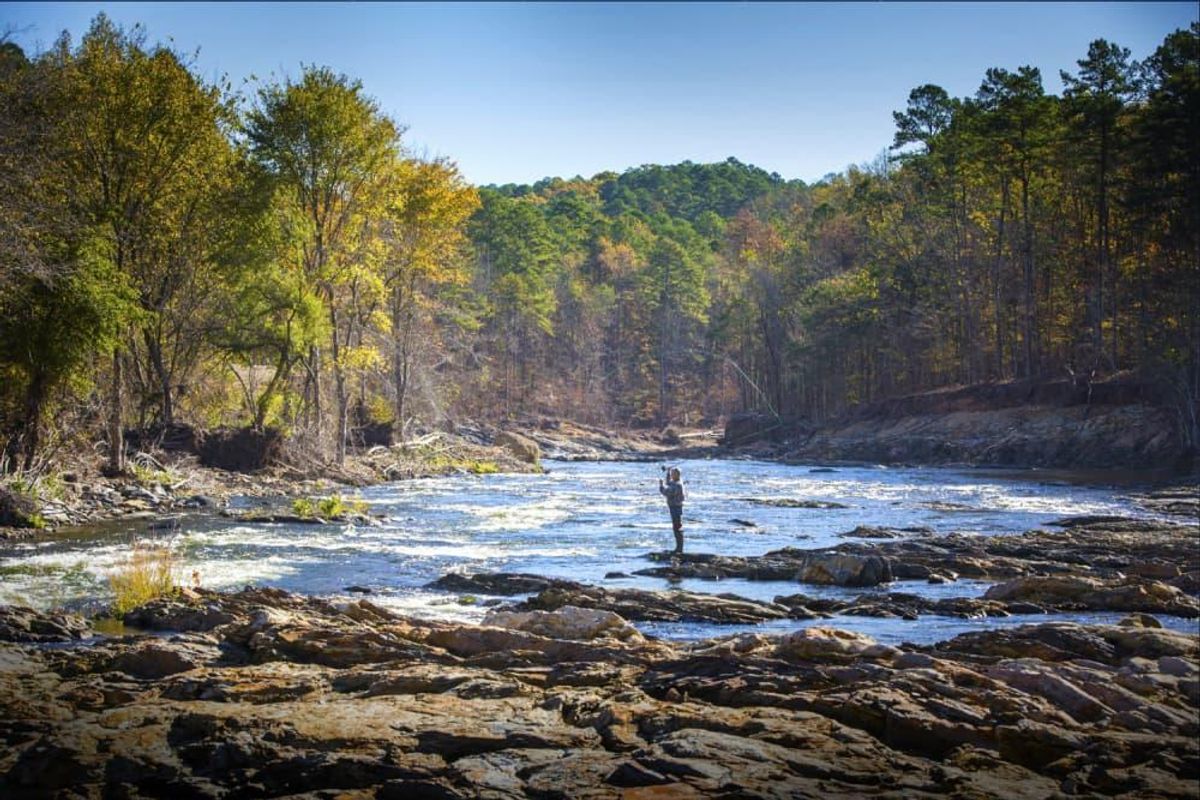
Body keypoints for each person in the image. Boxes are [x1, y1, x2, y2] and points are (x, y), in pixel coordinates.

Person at [658, 466, 686, 554]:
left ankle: (679, 548)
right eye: (671, 474)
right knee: (676, 527)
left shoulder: (677, 485)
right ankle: (678, 548)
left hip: (675, 508)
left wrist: (661, 485)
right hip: (676, 507)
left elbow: (666, 492)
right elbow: (669, 483)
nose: (671, 475)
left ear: (677, 475)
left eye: (672, 474)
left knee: (677, 527)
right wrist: (667, 473)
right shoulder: (677, 482)